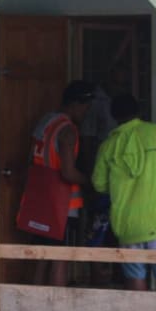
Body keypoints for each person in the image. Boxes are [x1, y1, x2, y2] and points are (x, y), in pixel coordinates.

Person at [91, 93, 156, 292]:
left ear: (113, 116)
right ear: (138, 112)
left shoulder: (108, 146)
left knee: (134, 276)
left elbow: (99, 184)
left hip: (127, 223)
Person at [27, 80, 94, 286]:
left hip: (39, 199)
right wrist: (90, 182)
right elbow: (68, 172)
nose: (85, 113)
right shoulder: (68, 130)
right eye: (84, 108)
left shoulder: (45, 122)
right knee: (60, 257)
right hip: (63, 205)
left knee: (41, 257)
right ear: (75, 104)